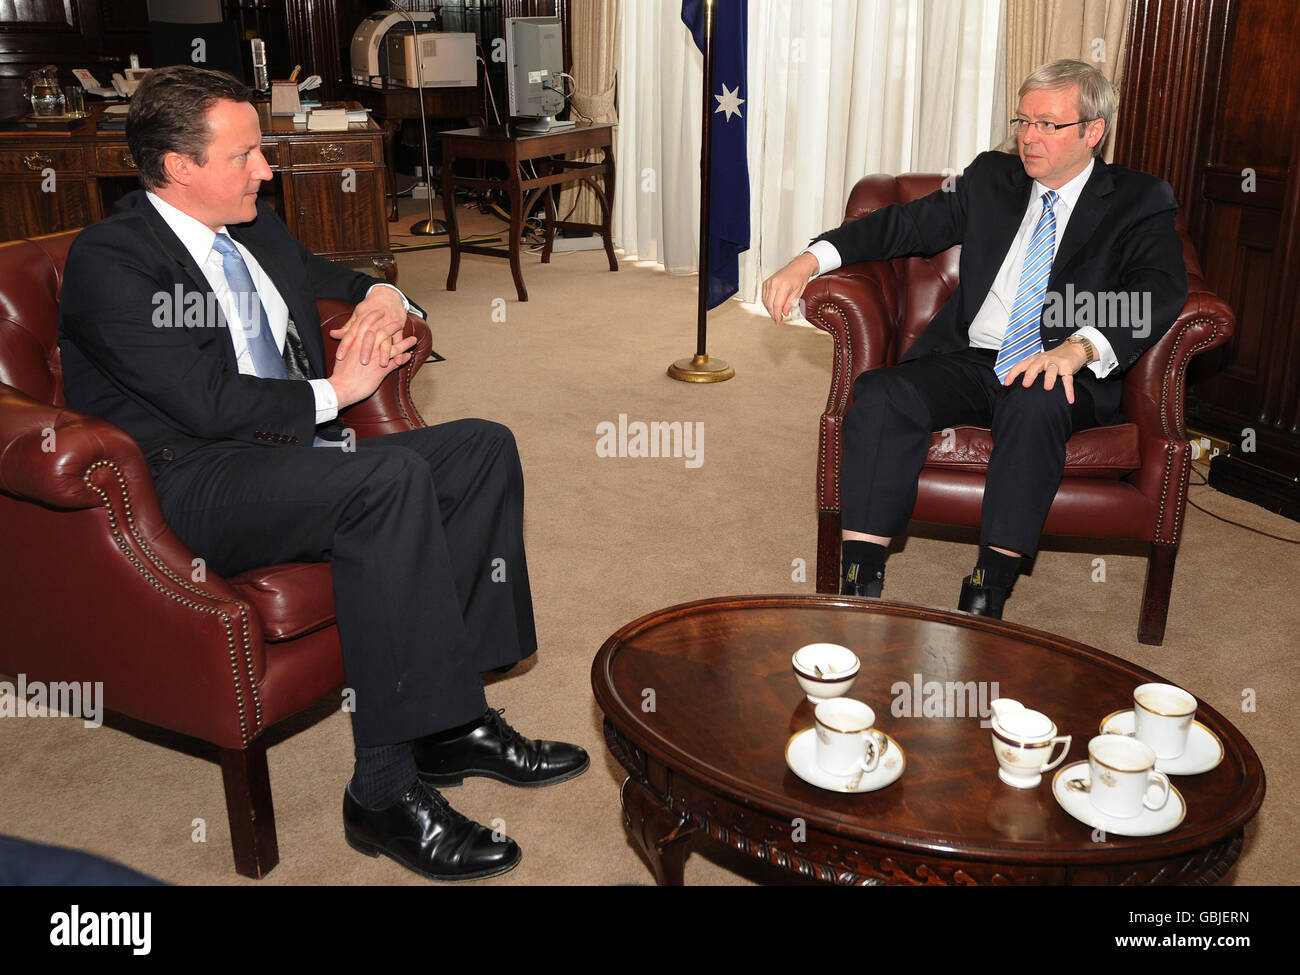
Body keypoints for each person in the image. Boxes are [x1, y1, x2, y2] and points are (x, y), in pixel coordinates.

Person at [57, 65, 587, 883]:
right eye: (245, 156)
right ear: (178, 167)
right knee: (389, 483)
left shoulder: (253, 226)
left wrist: (381, 294)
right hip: (188, 482)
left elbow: (329, 279)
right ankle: (380, 789)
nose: (265, 170)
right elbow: (202, 402)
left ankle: (452, 722)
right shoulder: (113, 260)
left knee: (481, 445)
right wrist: (338, 391)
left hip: (283, 459)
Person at [761, 59, 1189, 617]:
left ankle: (987, 592)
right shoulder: (994, 178)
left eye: (1047, 125)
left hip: (1061, 366)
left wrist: (1079, 347)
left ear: (1092, 131)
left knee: (1035, 406)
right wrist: (809, 259)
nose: (1028, 138)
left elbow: (1159, 290)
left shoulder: (1138, 198)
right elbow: (900, 225)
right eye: (1022, 121)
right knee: (882, 393)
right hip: (972, 357)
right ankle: (859, 584)